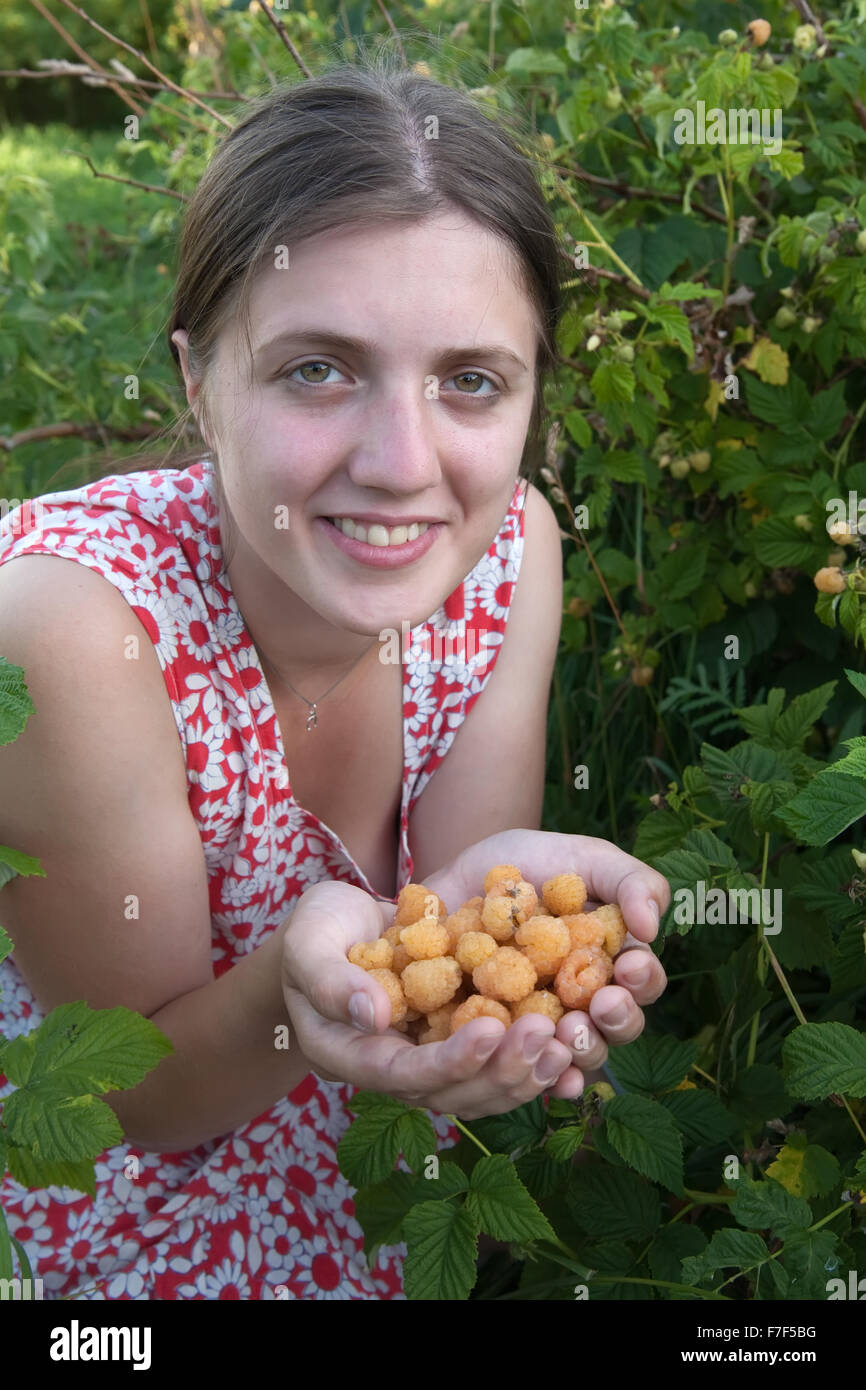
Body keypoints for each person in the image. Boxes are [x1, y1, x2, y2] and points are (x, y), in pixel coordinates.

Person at [0, 55, 668, 1300]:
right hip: (114, 1188)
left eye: (470, 380)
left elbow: (473, 903)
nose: (402, 464)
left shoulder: (511, 547)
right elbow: (134, 1097)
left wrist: (481, 991)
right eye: (319, 368)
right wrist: (296, 1003)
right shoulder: (71, 634)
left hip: (363, 1139)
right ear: (200, 384)